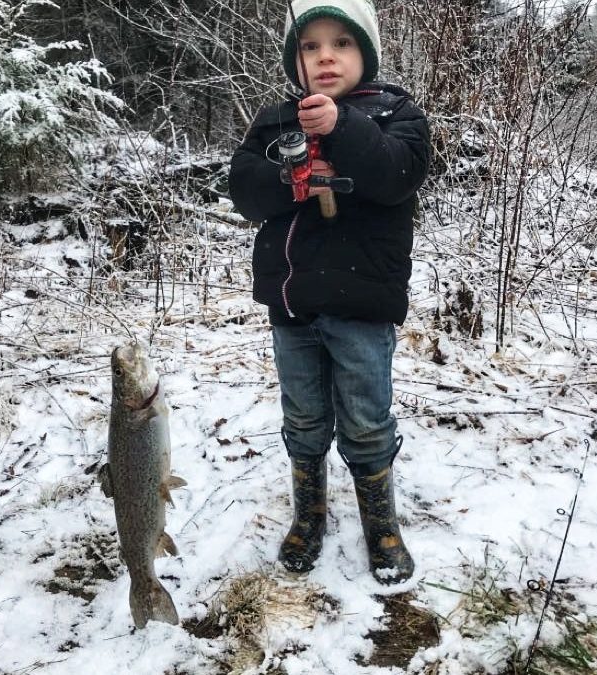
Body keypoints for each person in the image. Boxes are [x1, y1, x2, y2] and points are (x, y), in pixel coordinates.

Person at [228, 0, 430, 585]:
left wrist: (341, 127)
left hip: (362, 307)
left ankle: (380, 522)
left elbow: (395, 175)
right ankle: (309, 511)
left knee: (366, 420)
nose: (324, 57)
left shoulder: (397, 114)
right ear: (296, 60)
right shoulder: (274, 121)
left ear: (364, 54)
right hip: (293, 306)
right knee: (304, 418)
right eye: (309, 47)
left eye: (340, 44)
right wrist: (292, 177)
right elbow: (244, 192)